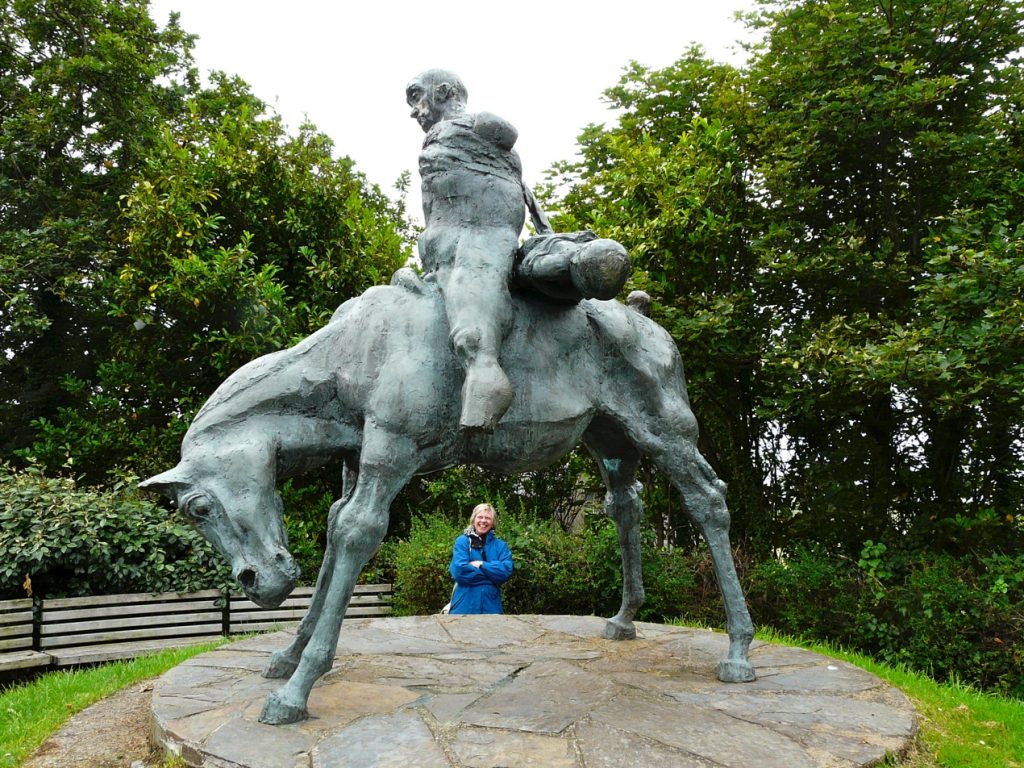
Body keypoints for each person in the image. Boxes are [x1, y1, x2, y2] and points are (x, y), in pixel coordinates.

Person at [406, 69, 533, 432]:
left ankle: (485, 372)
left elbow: (505, 130)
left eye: (418, 97)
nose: (414, 111)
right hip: (442, 250)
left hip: (480, 238)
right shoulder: (436, 142)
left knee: (471, 300)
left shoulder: (472, 129)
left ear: (444, 91)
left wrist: (469, 123)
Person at [447, 502, 513, 614]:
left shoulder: (501, 546)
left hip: (491, 607)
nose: (483, 521)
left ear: (493, 523)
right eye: (480, 517)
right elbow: (459, 572)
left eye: (488, 518)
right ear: (473, 520)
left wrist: (481, 564)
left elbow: (506, 572)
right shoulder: (462, 541)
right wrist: (491, 575)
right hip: (464, 606)